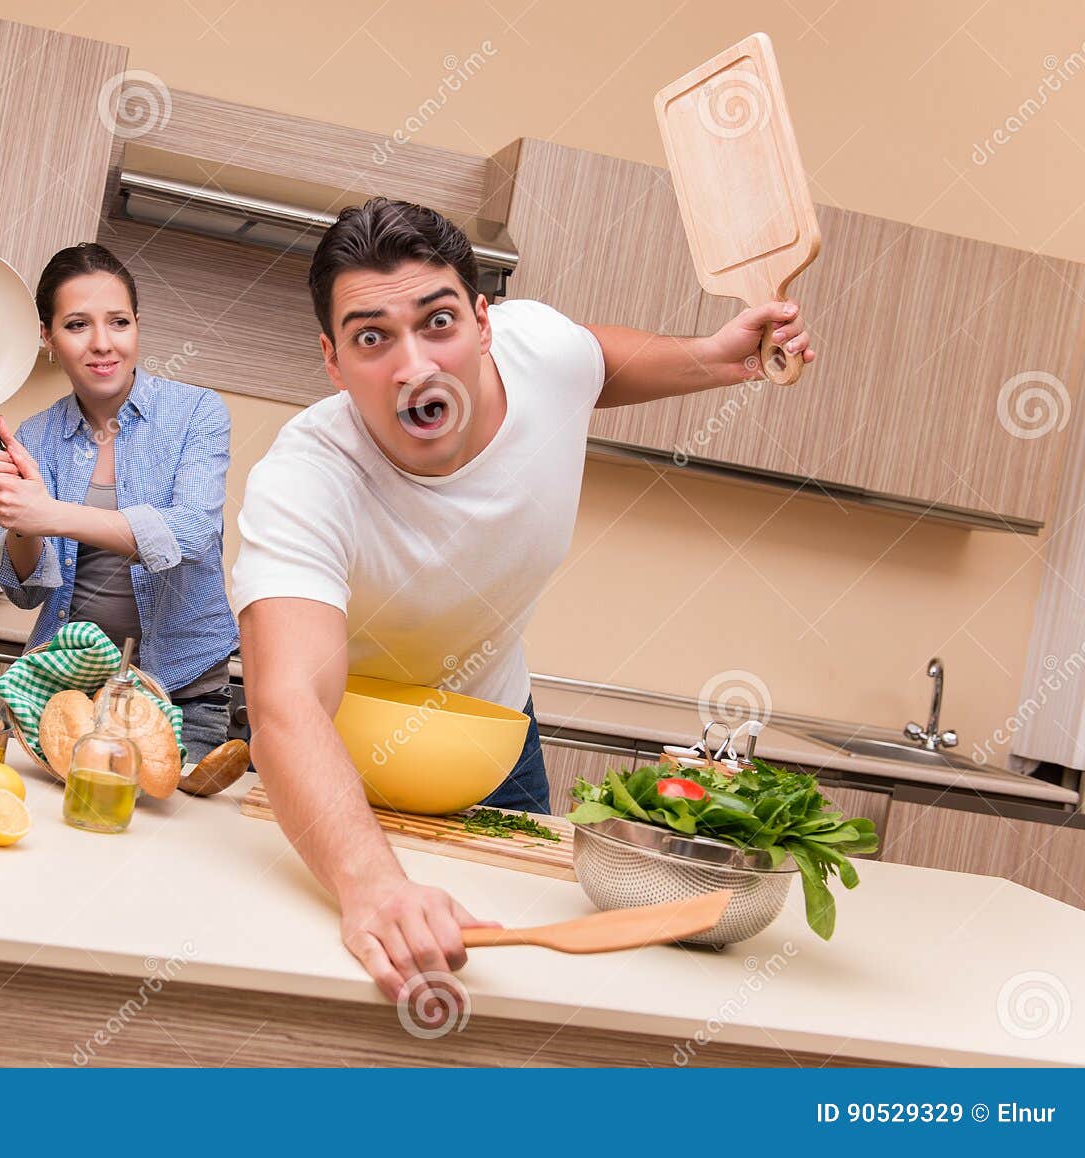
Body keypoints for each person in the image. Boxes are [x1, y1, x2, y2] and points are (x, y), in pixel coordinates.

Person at [231, 198, 813, 1002]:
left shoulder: (541, 349)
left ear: (485, 321)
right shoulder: (305, 479)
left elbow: (597, 361)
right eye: (372, 338)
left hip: (491, 742)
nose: (415, 367)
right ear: (332, 362)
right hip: (336, 761)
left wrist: (715, 358)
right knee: (331, 975)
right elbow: (288, 702)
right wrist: (371, 884)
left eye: (438, 323)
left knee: (523, 987)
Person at [0, 243, 238, 764]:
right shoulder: (38, 436)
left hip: (181, 694)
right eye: (76, 325)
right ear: (47, 337)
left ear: (137, 324)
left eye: (118, 322)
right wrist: (19, 516)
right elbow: (26, 591)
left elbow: (191, 534)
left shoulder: (198, 415)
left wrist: (49, 513)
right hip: (68, 696)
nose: (102, 344)